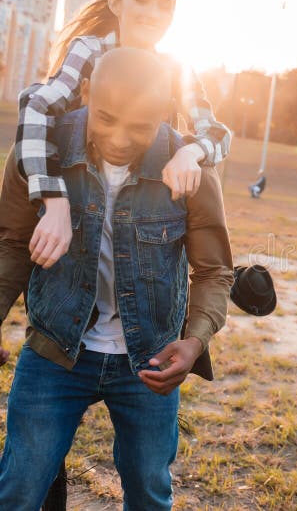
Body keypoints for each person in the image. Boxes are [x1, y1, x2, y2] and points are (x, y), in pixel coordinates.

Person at [0, 48, 234, 510]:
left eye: (141, 126)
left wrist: (194, 342)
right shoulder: (40, 152)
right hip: (55, 350)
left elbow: (214, 271)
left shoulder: (190, 171)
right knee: (20, 488)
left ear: (165, 113)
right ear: (86, 93)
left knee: (149, 492)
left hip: (149, 358)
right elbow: (9, 245)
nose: (120, 138)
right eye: (105, 118)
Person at [15, 0, 232, 272]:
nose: (153, 13)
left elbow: (217, 133)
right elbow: (38, 105)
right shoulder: (89, 51)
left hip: (143, 216)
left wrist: (189, 152)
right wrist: (54, 200)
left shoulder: (176, 69)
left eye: (164, 5)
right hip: (82, 204)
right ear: (115, 2)